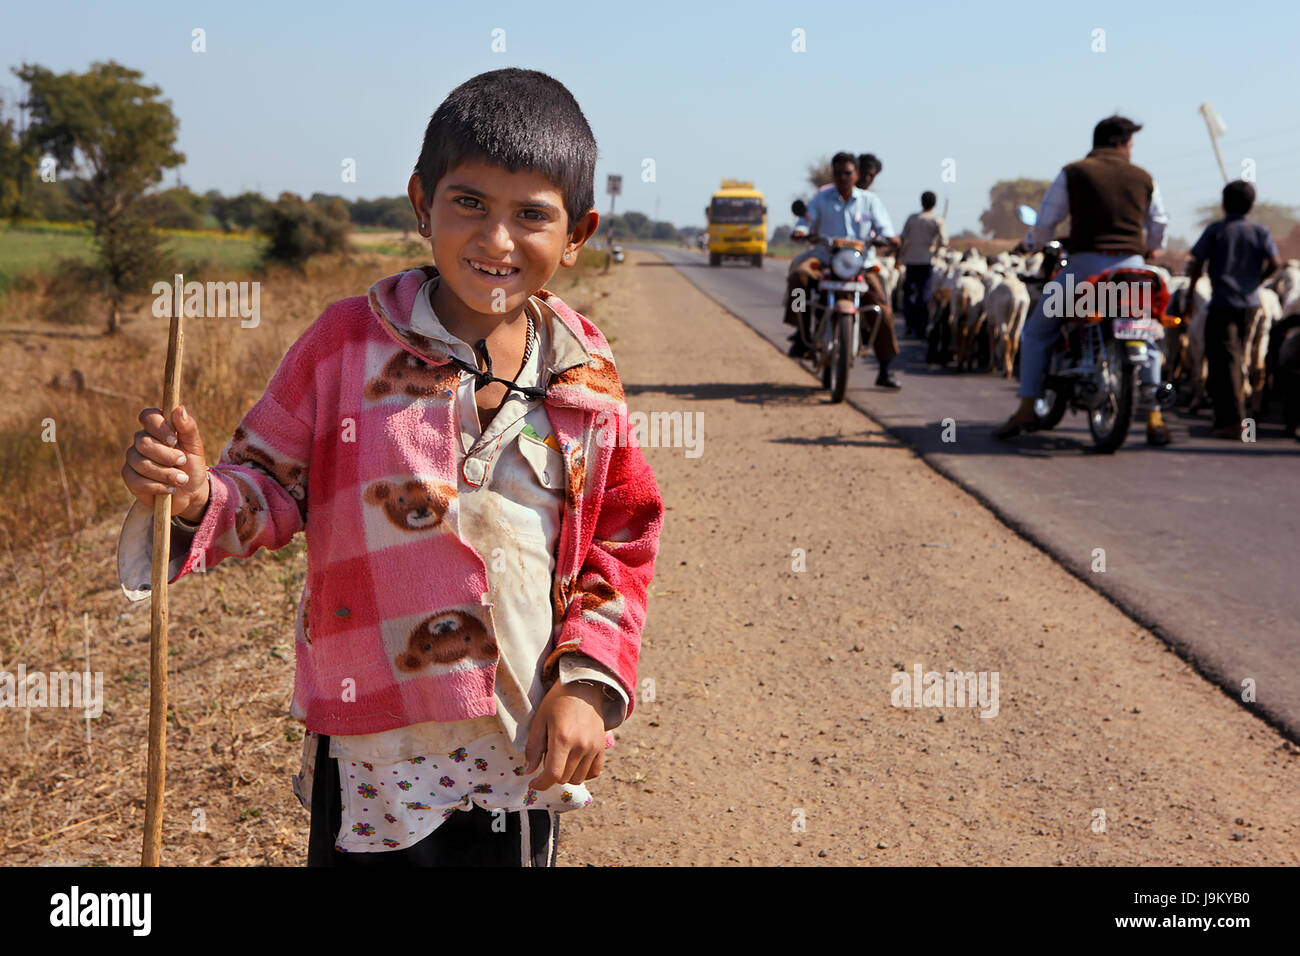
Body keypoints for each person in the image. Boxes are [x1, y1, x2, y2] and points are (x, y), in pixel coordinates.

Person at [116, 68, 664, 867]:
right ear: (421, 203)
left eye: (531, 216)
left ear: (577, 235)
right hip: (373, 740)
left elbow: (620, 535)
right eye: (469, 203)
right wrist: (197, 492)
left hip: (521, 745)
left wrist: (586, 682)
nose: (497, 240)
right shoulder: (345, 345)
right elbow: (268, 490)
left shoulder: (584, 371)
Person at [994, 114, 1172, 445]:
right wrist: (1151, 249)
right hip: (1132, 271)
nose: (1131, 150)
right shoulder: (1144, 177)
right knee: (1147, 333)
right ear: (1122, 143)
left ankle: (1027, 406)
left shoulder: (1074, 172)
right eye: (1131, 144)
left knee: (1036, 331)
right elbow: (1159, 223)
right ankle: (1155, 418)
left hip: (1084, 272)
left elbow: (1047, 220)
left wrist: (1034, 243)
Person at [783, 152, 903, 388]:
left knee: (881, 307)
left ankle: (885, 368)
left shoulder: (870, 201)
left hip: (861, 264)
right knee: (799, 277)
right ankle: (801, 332)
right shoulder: (821, 199)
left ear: (855, 175)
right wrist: (802, 230)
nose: (842, 177)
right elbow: (806, 221)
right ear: (833, 175)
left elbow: (885, 228)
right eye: (837, 173)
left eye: (847, 173)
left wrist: (889, 238)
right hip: (824, 260)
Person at [1186, 180, 1281, 438]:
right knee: (1240, 356)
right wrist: (1256, 282)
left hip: (1222, 303)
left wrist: (1188, 297)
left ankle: (1233, 422)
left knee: (1224, 360)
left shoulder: (1217, 230)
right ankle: (1230, 417)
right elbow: (1275, 262)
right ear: (1251, 204)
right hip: (1251, 303)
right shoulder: (1259, 231)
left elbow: (1197, 265)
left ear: (1224, 203)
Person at [898, 191, 948, 337]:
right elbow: (944, 241)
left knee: (909, 293)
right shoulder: (937, 221)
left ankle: (909, 324)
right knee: (924, 295)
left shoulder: (912, 219)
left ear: (921, 202)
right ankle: (921, 327)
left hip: (911, 260)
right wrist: (935, 245)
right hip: (927, 262)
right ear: (934, 204)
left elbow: (902, 237)